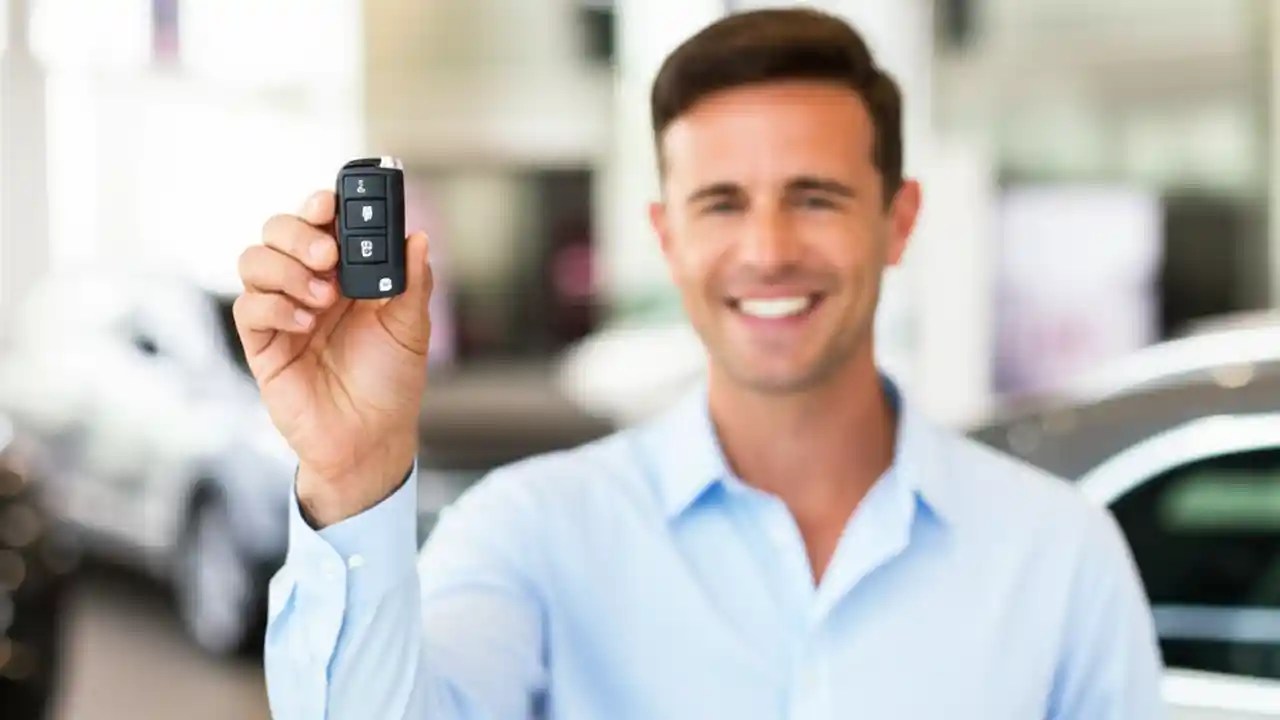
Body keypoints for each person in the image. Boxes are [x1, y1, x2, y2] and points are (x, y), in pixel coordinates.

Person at [236, 8, 1165, 719]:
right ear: (667, 235)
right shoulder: (533, 533)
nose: (766, 249)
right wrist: (352, 474)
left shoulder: (1060, 556)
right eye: (721, 202)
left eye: (815, 197)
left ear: (899, 220)